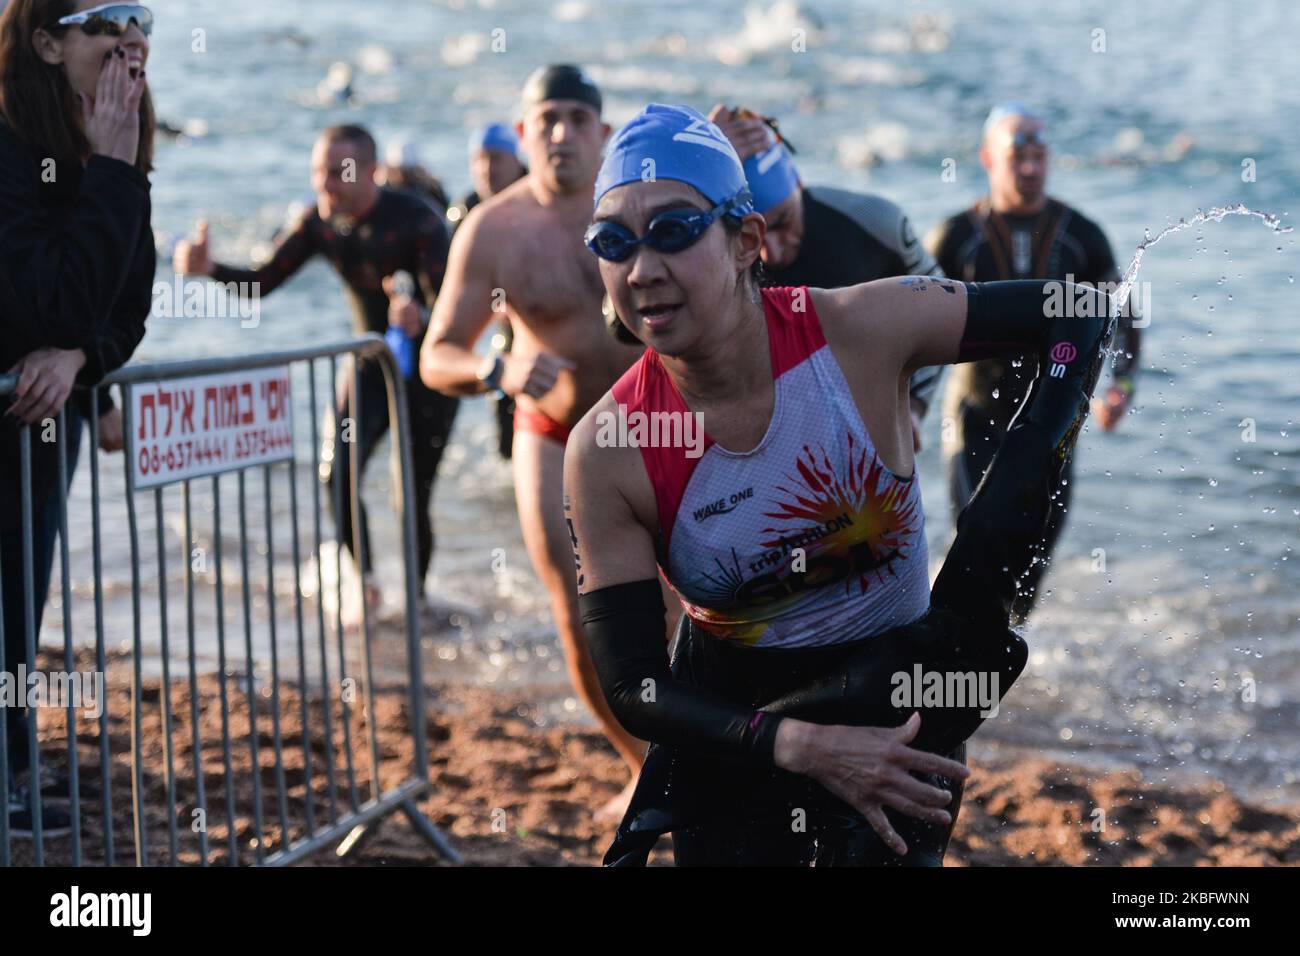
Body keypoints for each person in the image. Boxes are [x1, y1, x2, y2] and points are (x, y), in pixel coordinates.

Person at [565, 104, 1115, 866]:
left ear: (746, 240)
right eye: (614, 242)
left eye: (674, 231)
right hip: (738, 728)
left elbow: (1079, 314)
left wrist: (996, 528)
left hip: (902, 698)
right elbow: (636, 689)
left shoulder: (865, 329)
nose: (642, 269)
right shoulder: (610, 446)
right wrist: (804, 745)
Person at [420, 65, 652, 822]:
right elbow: (437, 353)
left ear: (604, 134)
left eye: (577, 119)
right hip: (552, 433)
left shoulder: (641, 207)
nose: (561, 133)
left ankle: (700, 754)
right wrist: (499, 364)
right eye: (545, 118)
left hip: (655, 423)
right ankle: (644, 765)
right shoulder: (492, 229)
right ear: (523, 134)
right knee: (582, 613)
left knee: (691, 604)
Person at [174, 124, 459, 611]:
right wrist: (211, 269)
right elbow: (263, 281)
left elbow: (459, 309)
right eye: (316, 171)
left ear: (369, 171)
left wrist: (422, 317)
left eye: (335, 172)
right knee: (338, 475)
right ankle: (367, 585)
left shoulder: (418, 221)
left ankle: (416, 606)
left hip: (429, 371)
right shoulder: (321, 224)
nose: (322, 183)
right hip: (370, 366)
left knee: (412, 494)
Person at [0, 0, 156, 836]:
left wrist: (80, 361)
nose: (130, 37)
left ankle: (16, 766)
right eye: (106, 20)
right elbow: (50, 295)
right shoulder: (14, 150)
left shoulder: (107, 152)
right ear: (47, 43)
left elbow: (125, 306)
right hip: (16, 414)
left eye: (143, 20)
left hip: (43, 416)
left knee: (22, 603)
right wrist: (112, 173)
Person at [927, 102, 1142, 623]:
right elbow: (911, 329)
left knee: (1034, 557)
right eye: (1016, 155)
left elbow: (1125, 318)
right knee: (976, 542)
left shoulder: (1081, 235)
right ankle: (963, 661)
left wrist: (1123, 387)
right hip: (975, 414)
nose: (1029, 167)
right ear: (987, 158)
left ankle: (1011, 658)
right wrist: (903, 409)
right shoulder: (955, 237)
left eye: (1038, 155)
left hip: (1053, 419)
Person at [708, 104, 945, 450]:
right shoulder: (715, 256)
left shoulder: (873, 221)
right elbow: (627, 325)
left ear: (799, 185)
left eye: (783, 222)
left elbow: (941, 303)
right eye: (753, 236)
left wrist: (914, 407)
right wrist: (700, 163)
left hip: (870, 438)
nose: (771, 251)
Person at [446, 122, 528, 461]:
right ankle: (513, 474)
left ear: (515, 161)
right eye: (478, 159)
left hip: (539, 312)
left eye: (495, 158)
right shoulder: (466, 209)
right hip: (501, 314)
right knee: (501, 393)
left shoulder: (537, 196)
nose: (485, 169)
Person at [379, 136, 451, 211]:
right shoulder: (380, 191)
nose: (402, 176)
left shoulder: (431, 190)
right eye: (399, 171)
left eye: (407, 172)